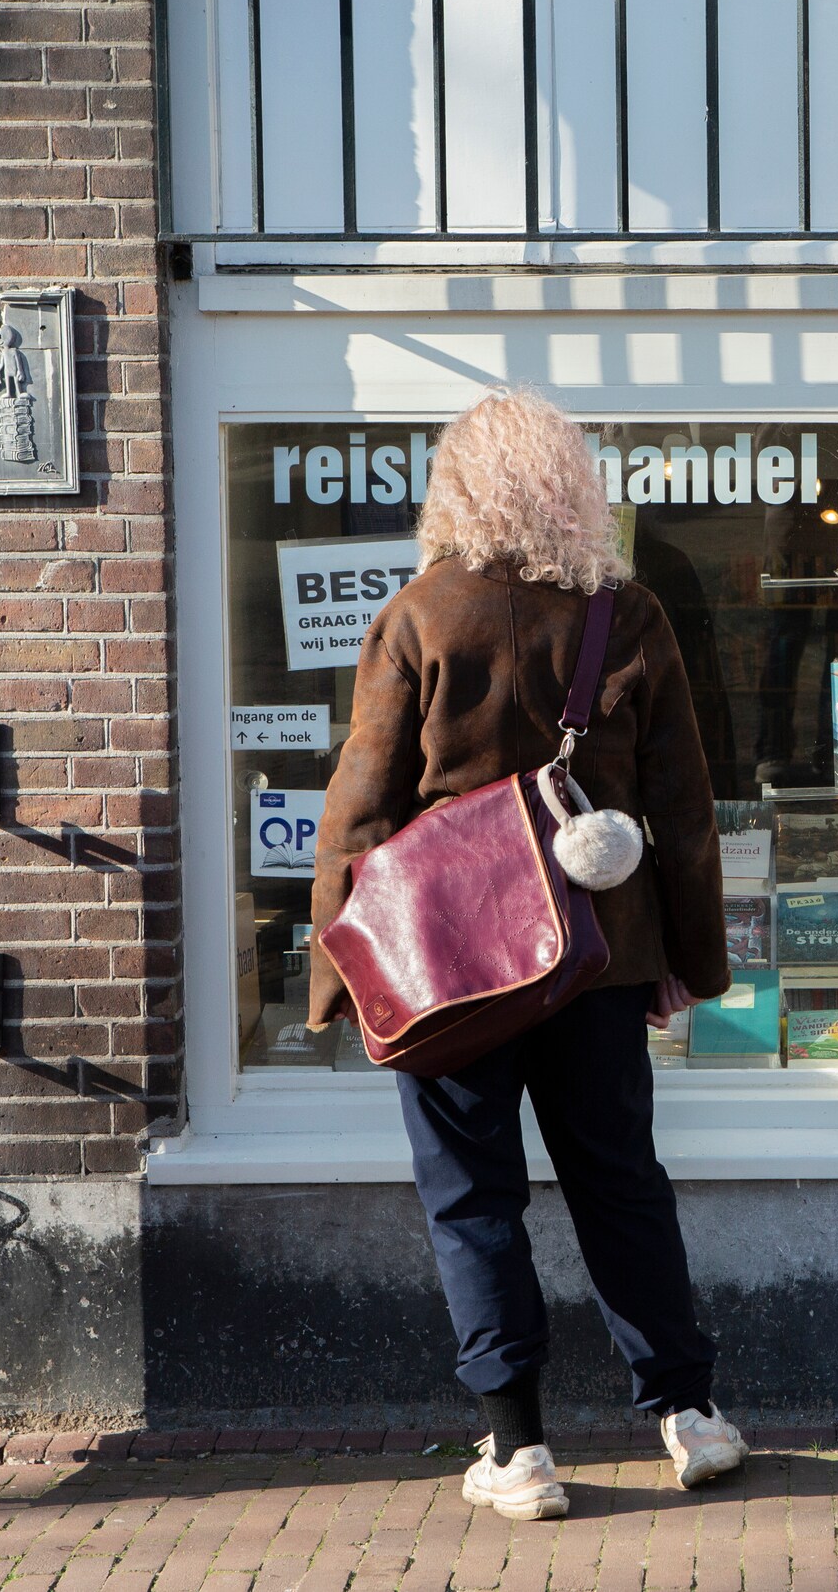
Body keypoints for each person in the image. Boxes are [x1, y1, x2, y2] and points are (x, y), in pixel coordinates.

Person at [307, 390, 746, 1523]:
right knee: (621, 1182)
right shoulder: (627, 615)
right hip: (595, 957)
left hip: (453, 967)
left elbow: (359, 815)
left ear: (455, 490)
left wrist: (338, 976)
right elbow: (681, 806)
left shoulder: (416, 619)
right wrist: (689, 959)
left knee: (472, 1200)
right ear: (572, 489)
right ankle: (689, 1418)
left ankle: (519, 1451)